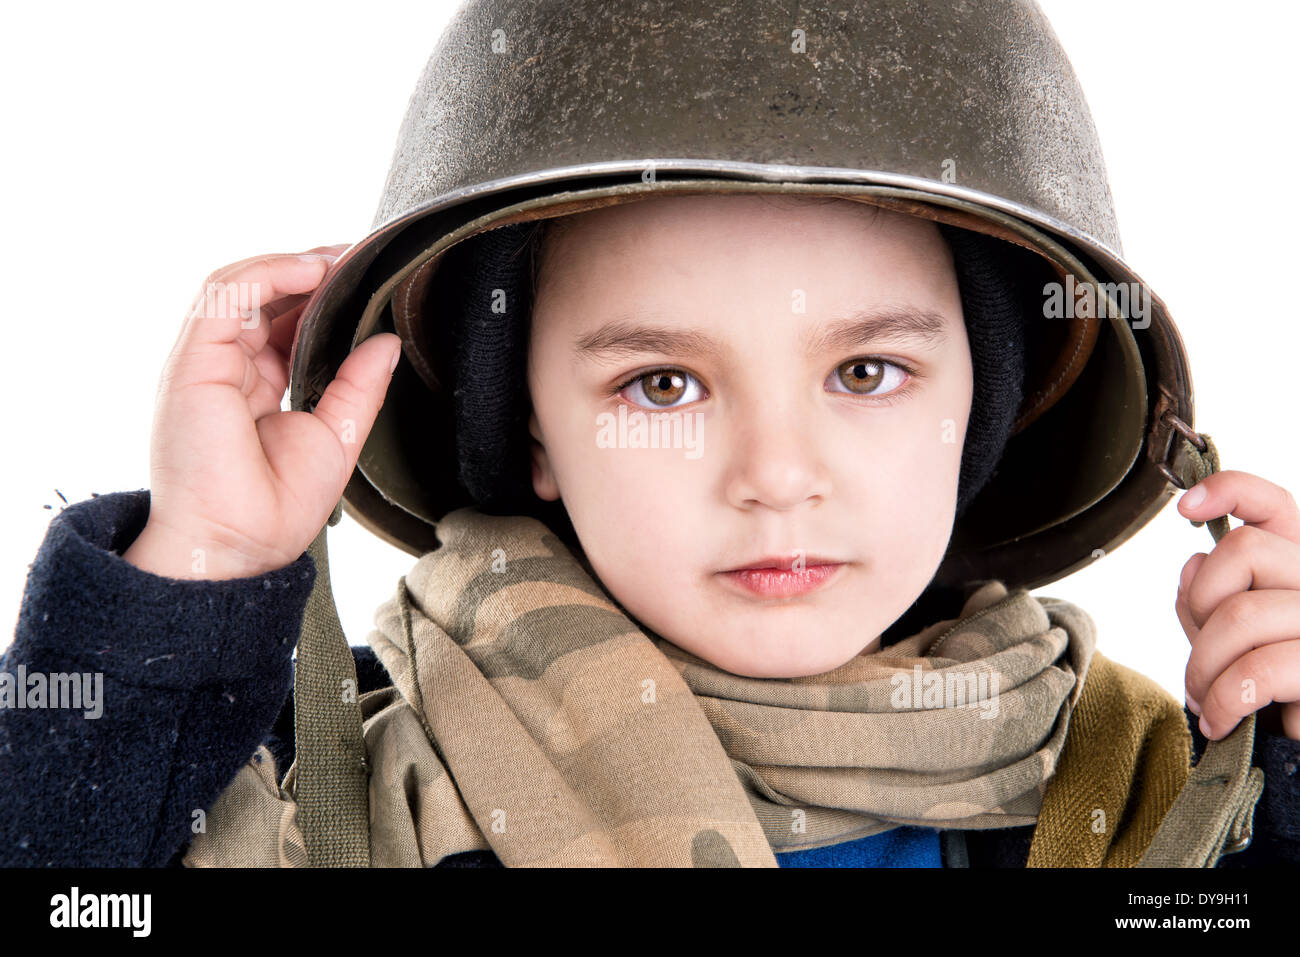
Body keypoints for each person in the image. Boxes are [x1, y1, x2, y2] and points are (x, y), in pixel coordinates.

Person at [5, 0, 1300, 868]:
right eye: (663, 387)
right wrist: (191, 580)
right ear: (533, 433)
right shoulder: (339, 774)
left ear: (990, 401)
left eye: (866, 368)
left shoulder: (1150, 794)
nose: (778, 478)